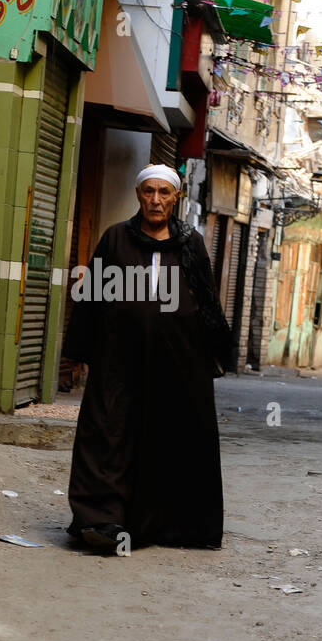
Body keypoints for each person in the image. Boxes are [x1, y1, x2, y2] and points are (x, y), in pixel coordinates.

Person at [62, 163, 233, 554]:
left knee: (166, 437)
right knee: (107, 432)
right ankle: (99, 520)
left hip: (175, 364)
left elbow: (206, 304)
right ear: (139, 195)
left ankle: (163, 524)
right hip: (118, 360)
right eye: (148, 192)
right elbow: (90, 298)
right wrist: (78, 352)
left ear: (176, 197)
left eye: (164, 193)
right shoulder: (116, 239)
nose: (155, 200)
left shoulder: (191, 244)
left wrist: (209, 356)